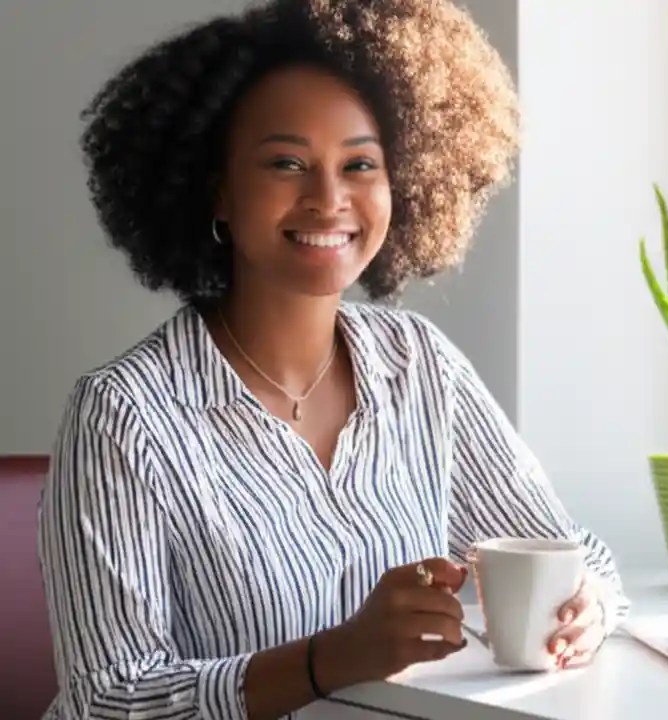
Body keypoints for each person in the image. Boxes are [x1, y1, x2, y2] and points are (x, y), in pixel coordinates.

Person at [37, 2, 628, 718]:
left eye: (359, 164)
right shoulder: (124, 416)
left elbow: (569, 553)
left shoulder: (418, 364)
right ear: (216, 189)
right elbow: (108, 700)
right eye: (287, 163)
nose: (329, 198)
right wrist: (334, 657)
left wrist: (587, 607)